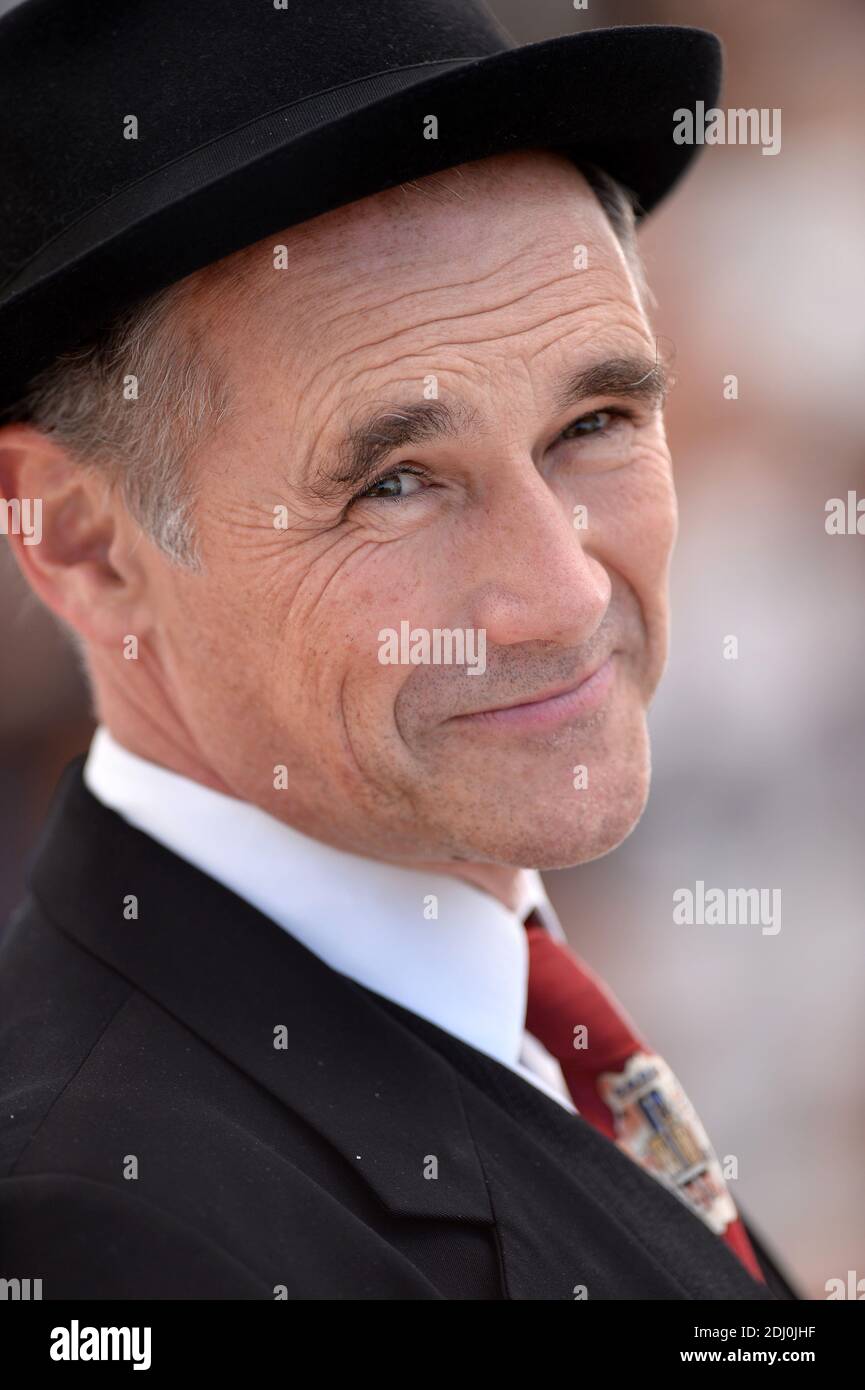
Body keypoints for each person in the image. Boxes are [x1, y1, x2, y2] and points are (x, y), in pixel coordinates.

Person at [0, 0, 797, 1299]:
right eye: (396, 484)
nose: (556, 593)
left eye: (593, 421)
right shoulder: (109, 1228)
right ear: (85, 542)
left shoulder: (502, 1013)